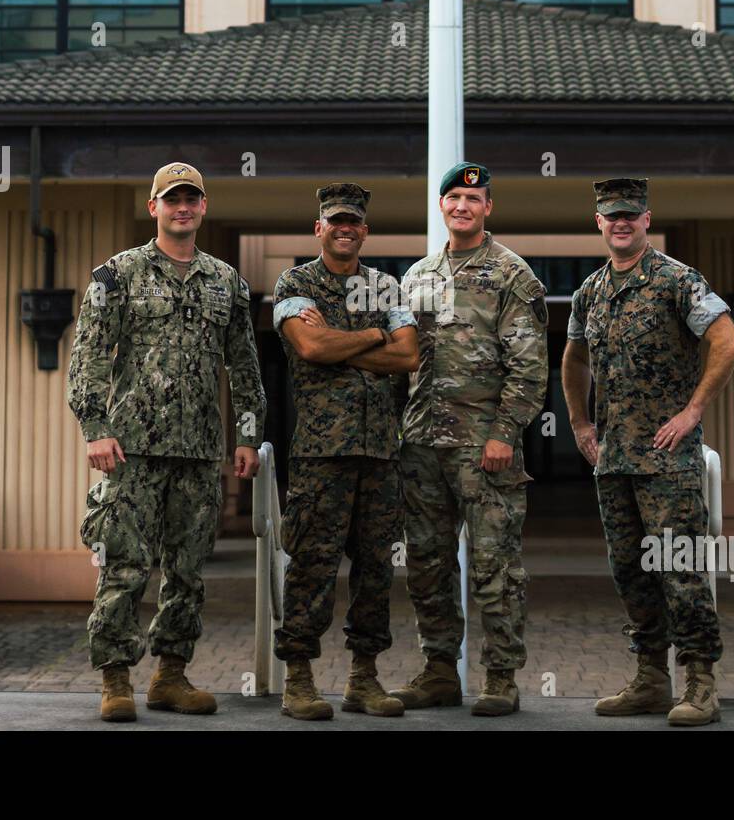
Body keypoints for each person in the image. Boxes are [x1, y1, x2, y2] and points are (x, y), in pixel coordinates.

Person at [66, 161, 267, 722]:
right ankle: (115, 680)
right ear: (153, 207)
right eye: (172, 199)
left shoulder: (226, 281)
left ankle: (171, 677)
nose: (183, 208)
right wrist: (96, 427)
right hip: (132, 450)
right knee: (125, 567)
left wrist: (247, 436)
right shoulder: (117, 275)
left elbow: (245, 367)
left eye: (192, 199)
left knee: (187, 572)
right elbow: (87, 356)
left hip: (201, 452)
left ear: (203, 208)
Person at [561, 177, 734, 727]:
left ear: (645, 219)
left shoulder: (676, 280)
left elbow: (728, 341)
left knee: (678, 568)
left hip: (668, 460)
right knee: (629, 570)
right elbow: (573, 360)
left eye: (630, 214)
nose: (621, 222)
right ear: (599, 222)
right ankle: (650, 677)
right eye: (611, 215)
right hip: (614, 459)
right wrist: (578, 423)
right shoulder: (589, 291)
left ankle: (700, 681)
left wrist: (692, 411)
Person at [391, 161, 548, 717]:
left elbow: (529, 367)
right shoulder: (418, 277)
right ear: (441, 206)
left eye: (473, 199)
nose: (462, 206)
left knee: (494, 566)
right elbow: (402, 359)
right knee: (428, 564)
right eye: (453, 197)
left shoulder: (512, 274)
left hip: (485, 447)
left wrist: (505, 432)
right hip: (422, 445)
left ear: (488, 208)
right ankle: (438, 672)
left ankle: (501, 677)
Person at [272, 183, 419, 720]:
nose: (344, 228)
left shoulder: (385, 286)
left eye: (353, 221)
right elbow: (308, 346)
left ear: (365, 230)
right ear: (319, 228)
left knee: (377, 568)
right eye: (335, 220)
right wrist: (375, 337)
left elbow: (409, 358)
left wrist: (344, 342)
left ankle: (364, 677)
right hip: (320, 455)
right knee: (312, 565)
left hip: (380, 453)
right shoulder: (296, 281)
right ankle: (300, 680)